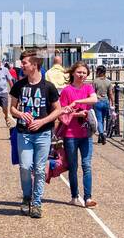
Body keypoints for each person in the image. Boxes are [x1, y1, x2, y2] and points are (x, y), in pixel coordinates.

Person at [9, 49, 61, 218]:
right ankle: (26, 196)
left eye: (24, 63)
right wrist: (20, 114)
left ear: (35, 64)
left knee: (39, 170)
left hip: (43, 134)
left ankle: (37, 203)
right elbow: (12, 108)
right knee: (25, 167)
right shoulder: (19, 85)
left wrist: (43, 121)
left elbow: (58, 110)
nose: (21, 65)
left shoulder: (48, 87)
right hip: (23, 132)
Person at [59, 61, 98, 207]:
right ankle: (74, 196)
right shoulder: (66, 90)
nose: (82, 75)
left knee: (87, 165)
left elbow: (94, 99)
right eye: (79, 72)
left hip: (86, 133)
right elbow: (61, 112)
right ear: (73, 73)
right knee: (73, 166)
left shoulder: (88, 87)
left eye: (84, 73)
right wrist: (77, 114)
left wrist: (77, 102)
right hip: (70, 134)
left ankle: (88, 198)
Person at [92, 65, 112, 144]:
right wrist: (112, 102)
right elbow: (110, 93)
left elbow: (92, 92)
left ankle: (101, 134)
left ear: (99, 72)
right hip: (106, 101)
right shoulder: (108, 81)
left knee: (99, 120)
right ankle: (101, 136)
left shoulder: (95, 81)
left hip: (98, 101)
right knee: (103, 119)